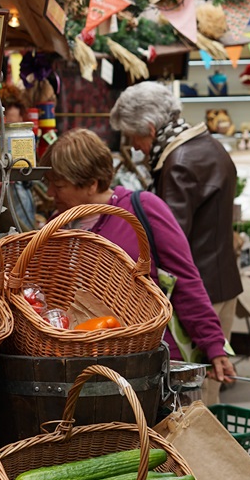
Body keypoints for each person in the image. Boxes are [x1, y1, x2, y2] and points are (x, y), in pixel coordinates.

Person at [42, 128, 236, 391]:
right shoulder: (58, 225)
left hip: (148, 363)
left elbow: (186, 280)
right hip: (83, 366)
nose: (51, 192)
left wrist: (213, 345)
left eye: (59, 185)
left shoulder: (143, 209)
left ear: (92, 183)